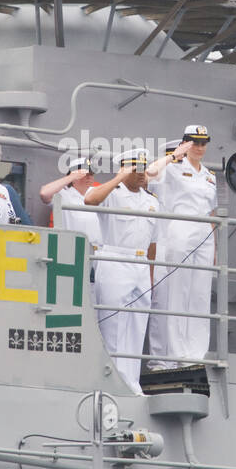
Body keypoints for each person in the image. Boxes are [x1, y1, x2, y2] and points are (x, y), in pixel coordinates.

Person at [85, 148, 160, 395]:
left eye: (144, 168)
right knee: (114, 326)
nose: (142, 173)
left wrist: (149, 277)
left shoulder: (152, 201)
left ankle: (131, 383)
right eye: (136, 168)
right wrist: (119, 177)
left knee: (137, 326)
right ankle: (113, 382)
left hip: (140, 265)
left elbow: (152, 246)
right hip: (115, 260)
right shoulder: (111, 193)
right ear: (124, 168)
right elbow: (90, 200)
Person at [145, 126, 217, 366]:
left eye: (203, 142)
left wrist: (214, 246)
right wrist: (174, 155)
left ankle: (196, 353)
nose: (199, 147)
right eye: (194, 142)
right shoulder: (172, 169)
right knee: (178, 292)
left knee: (199, 293)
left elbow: (212, 211)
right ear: (185, 143)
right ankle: (178, 352)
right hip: (180, 226)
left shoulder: (209, 175)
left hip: (203, 231)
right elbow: (149, 173)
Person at [146, 140, 179, 368]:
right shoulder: (160, 174)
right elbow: (150, 174)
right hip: (159, 243)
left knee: (180, 303)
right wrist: (170, 159)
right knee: (160, 303)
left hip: (182, 244)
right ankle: (159, 360)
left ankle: (178, 357)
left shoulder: (190, 177)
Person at [42, 155, 102, 259]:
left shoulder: (96, 193)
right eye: (85, 174)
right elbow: (44, 193)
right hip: (74, 253)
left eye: (91, 174)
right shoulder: (64, 195)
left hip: (99, 254)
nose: (89, 177)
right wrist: (71, 176)